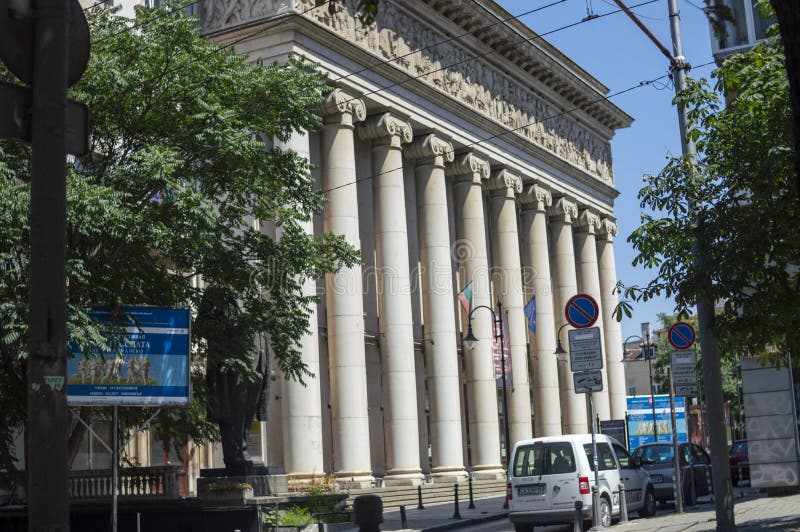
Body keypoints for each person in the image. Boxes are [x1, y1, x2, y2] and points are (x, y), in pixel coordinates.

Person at [196, 286, 269, 476]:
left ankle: (242, 451)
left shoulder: (253, 293)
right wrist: (228, 325)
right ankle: (234, 455)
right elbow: (201, 326)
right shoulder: (216, 292)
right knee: (233, 410)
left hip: (257, 363)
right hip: (232, 365)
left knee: (248, 411)